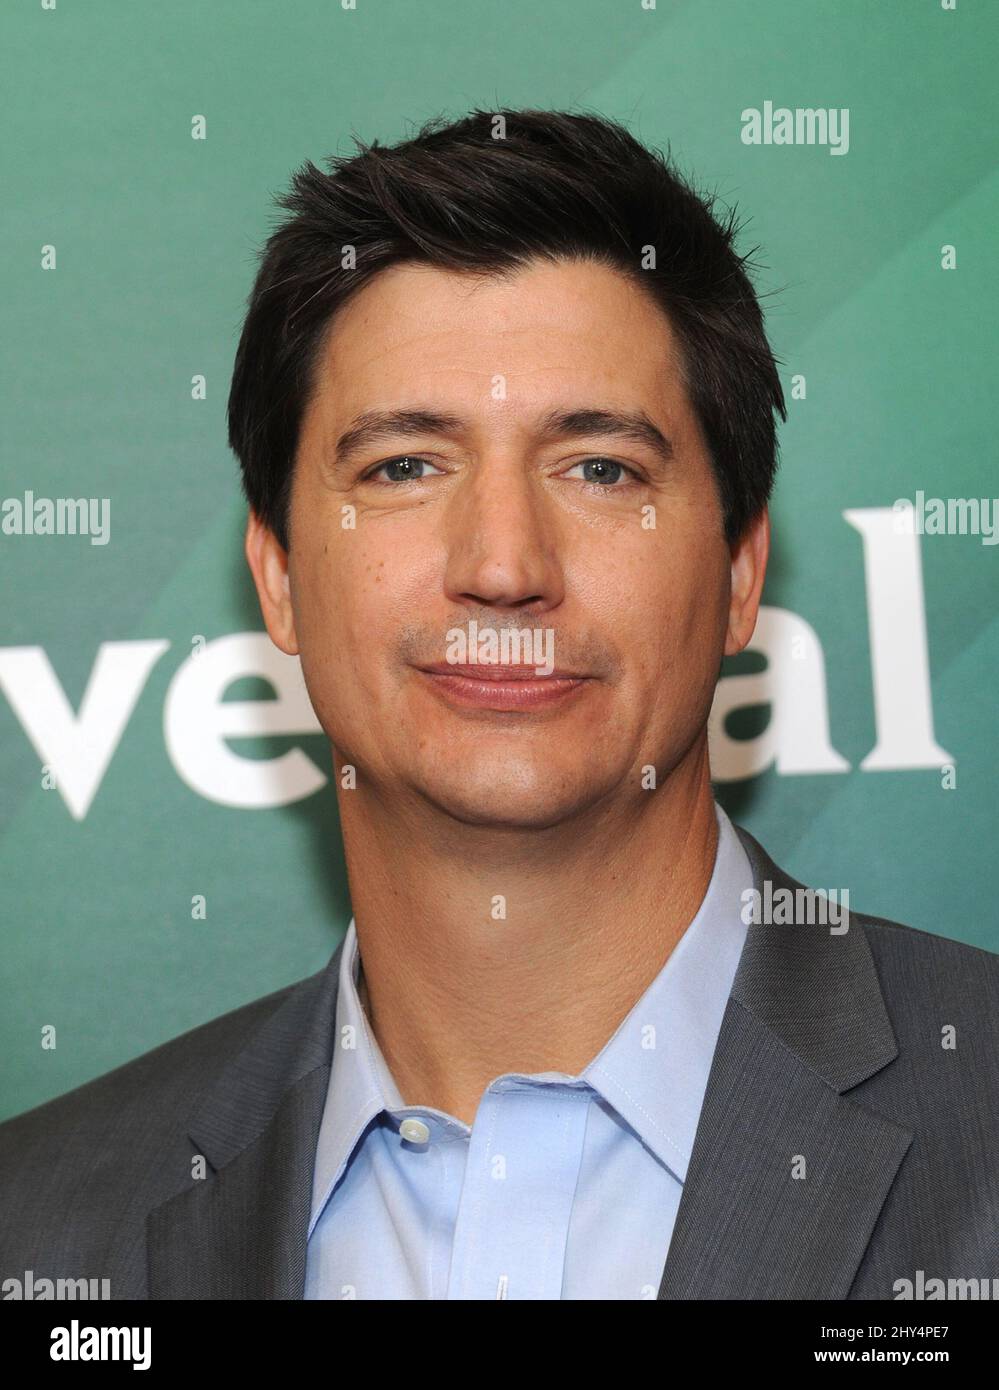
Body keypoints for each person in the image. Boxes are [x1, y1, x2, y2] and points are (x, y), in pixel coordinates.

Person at [1, 108, 996, 1302]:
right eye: (406, 466)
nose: (506, 562)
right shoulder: (40, 1233)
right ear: (278, 578)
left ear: (739, 574)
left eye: (601, 467)